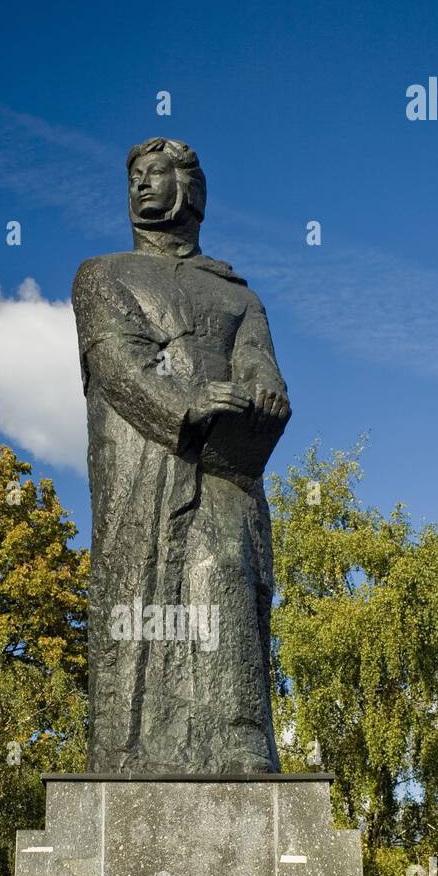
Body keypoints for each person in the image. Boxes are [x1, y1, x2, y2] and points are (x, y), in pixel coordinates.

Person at [72, 138, 291, 774]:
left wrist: (263, 386)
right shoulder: (102, 274)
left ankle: (239, 741)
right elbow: (117, 365)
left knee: (225, 572)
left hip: (226, 464)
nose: (140, 186)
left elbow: (255, 356)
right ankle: (127, 752)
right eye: (134, 177)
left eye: (155, 175)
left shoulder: (236, 293)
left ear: (190, 191)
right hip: (145, 458)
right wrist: (189, 404)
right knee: (137, 595)